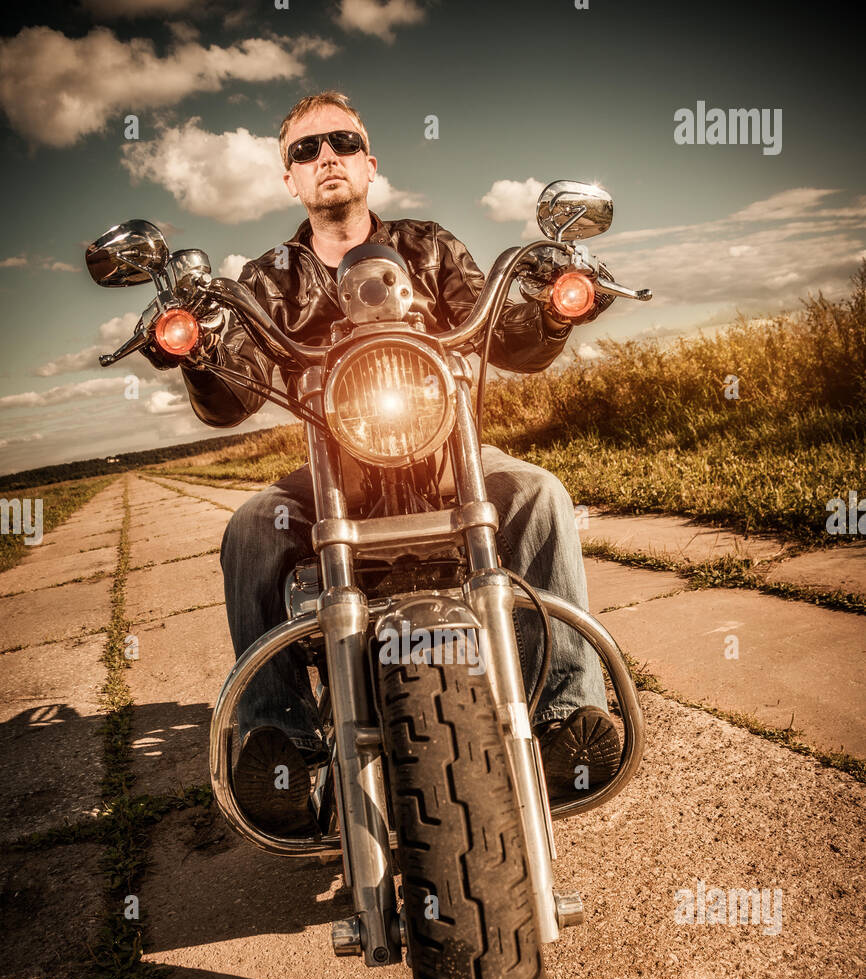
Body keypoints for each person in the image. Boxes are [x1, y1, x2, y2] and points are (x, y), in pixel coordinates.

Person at [147, 90, 620, 833]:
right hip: (332, 473)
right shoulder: (267, 277)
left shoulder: (430, 246)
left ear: (369, 162)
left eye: (340, 142)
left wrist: (554, 310)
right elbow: (230, 392)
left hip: (450, 456)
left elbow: (508, 338)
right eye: (305, 150)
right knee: (249, 528)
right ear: (290, 180)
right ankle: (284, 740)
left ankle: (568, 712)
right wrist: (199, 351)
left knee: (539, 495)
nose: (325, 157)